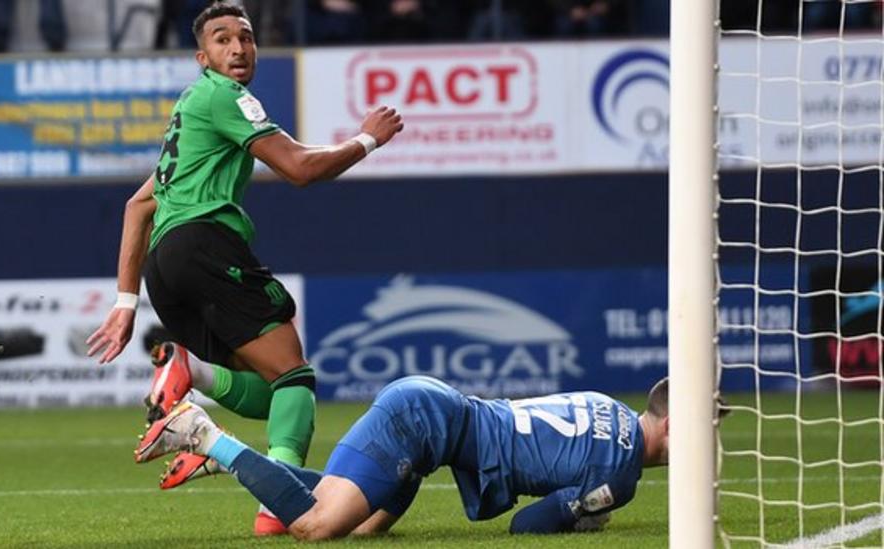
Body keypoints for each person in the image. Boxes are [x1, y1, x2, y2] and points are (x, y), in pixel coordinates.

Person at [84, 1, 403, 536]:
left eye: (246, 37)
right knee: (295, 376)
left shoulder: (190, 111)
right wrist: (367, 138)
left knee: (274, 389)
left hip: (166, 269)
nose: (238, 48)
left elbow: (138, 207)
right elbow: (299, 168)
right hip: (206, 247)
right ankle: (280, 507)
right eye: (223, 39)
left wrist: (126, 304)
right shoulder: (226, 97)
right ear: (202, 57)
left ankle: (198, 386)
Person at [135, 376, 713, 539]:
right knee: (317, 525)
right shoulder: (621, 474)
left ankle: (226, 461)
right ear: (673, 424)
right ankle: (202, 432)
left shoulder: (607, 403)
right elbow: (527, 525)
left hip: (438, 420)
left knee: (361, 528)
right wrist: (582, 516)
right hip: (425, 425)